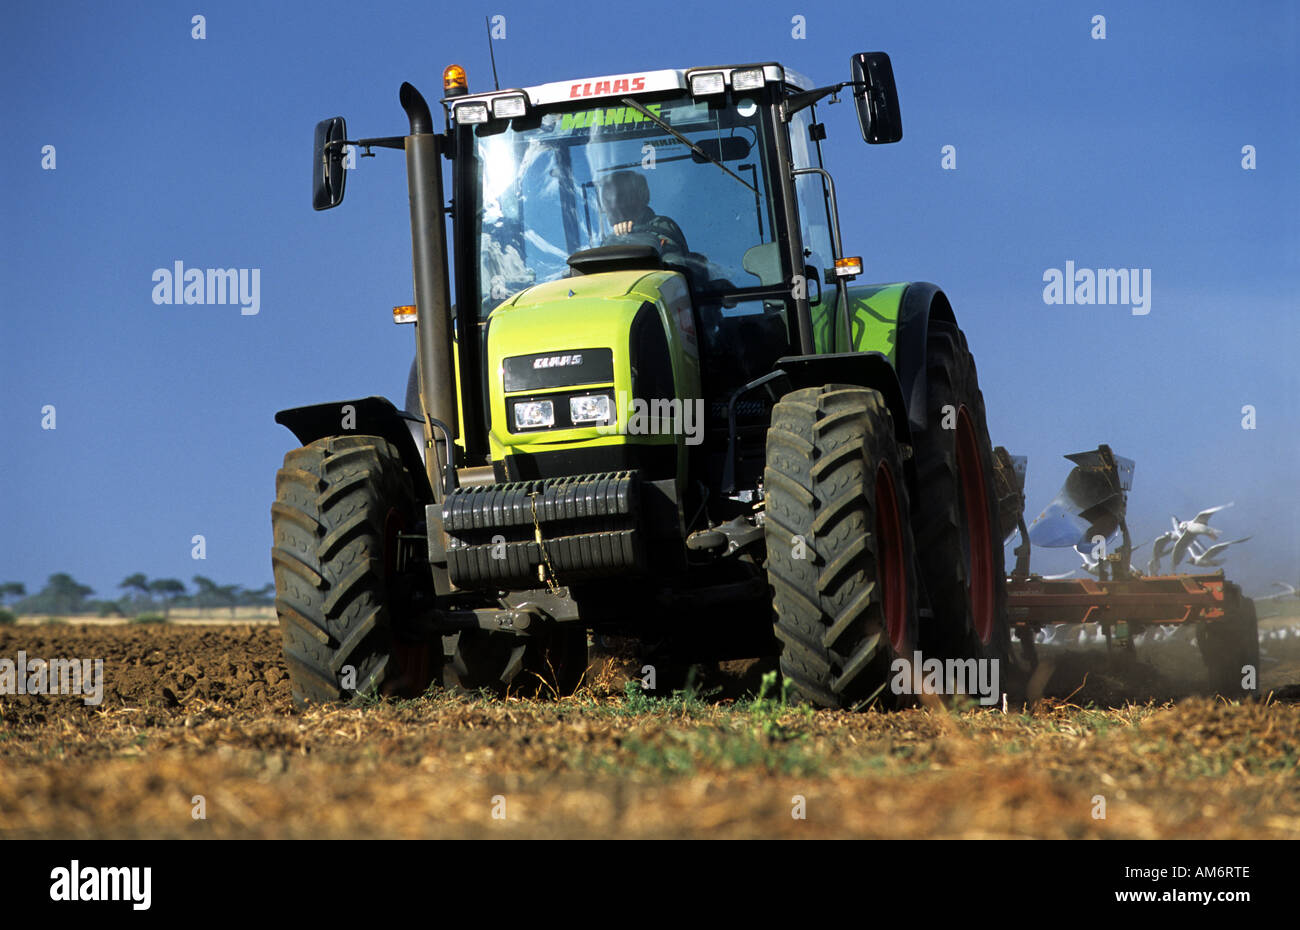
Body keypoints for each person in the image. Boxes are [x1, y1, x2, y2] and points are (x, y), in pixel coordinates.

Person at [597, 170, 689, 255]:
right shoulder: (609, 239)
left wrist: (627, 239)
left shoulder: (661, 225)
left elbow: (673, 264)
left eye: (610, 201)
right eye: (606, 202)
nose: (606, 209)